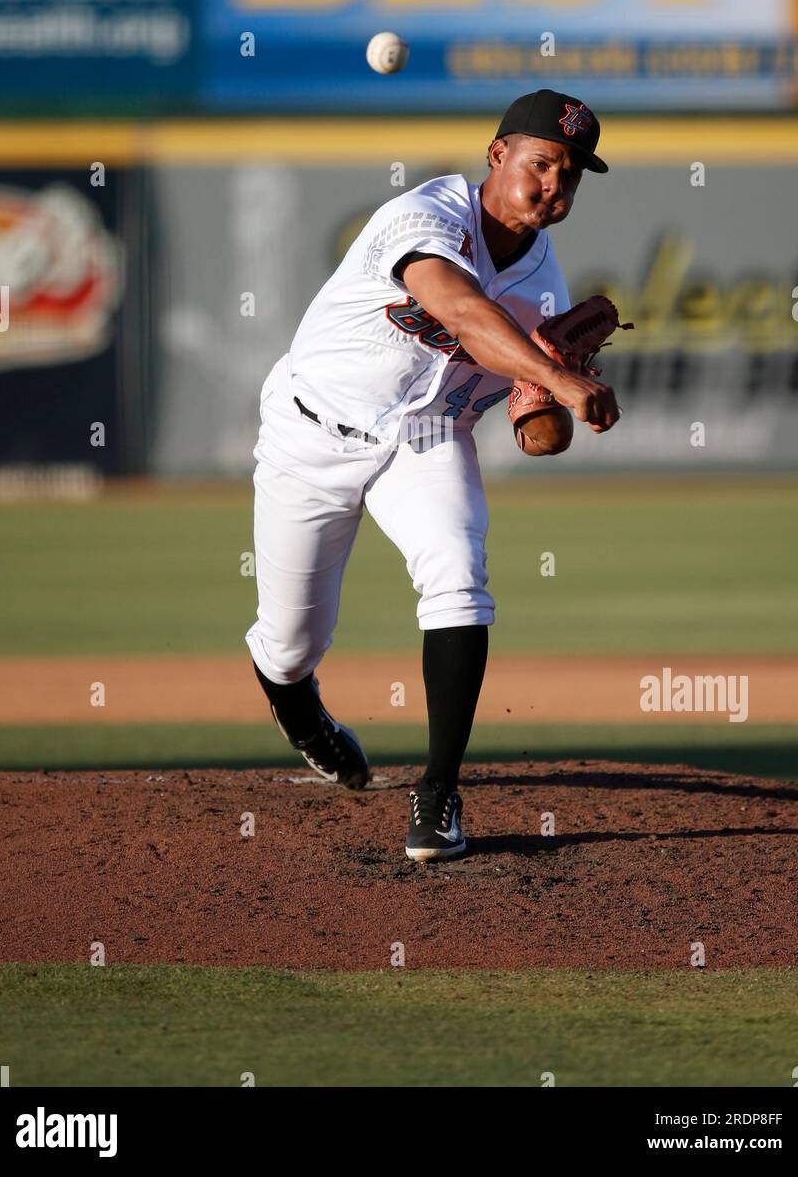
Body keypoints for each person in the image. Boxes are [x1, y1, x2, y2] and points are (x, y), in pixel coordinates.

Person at [245, 89, 620, 861]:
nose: (553, 184)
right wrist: (563, 375)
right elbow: (460, 309)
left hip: (425, 437)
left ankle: (439, 791)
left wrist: (553, 379)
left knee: (459, 573)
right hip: (310, 432)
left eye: (572, 173)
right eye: (541, 162)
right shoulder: (426, 214)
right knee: (288, 645)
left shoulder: (544, 286)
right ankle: (300, 710)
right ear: (498, 156)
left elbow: (539, 437)